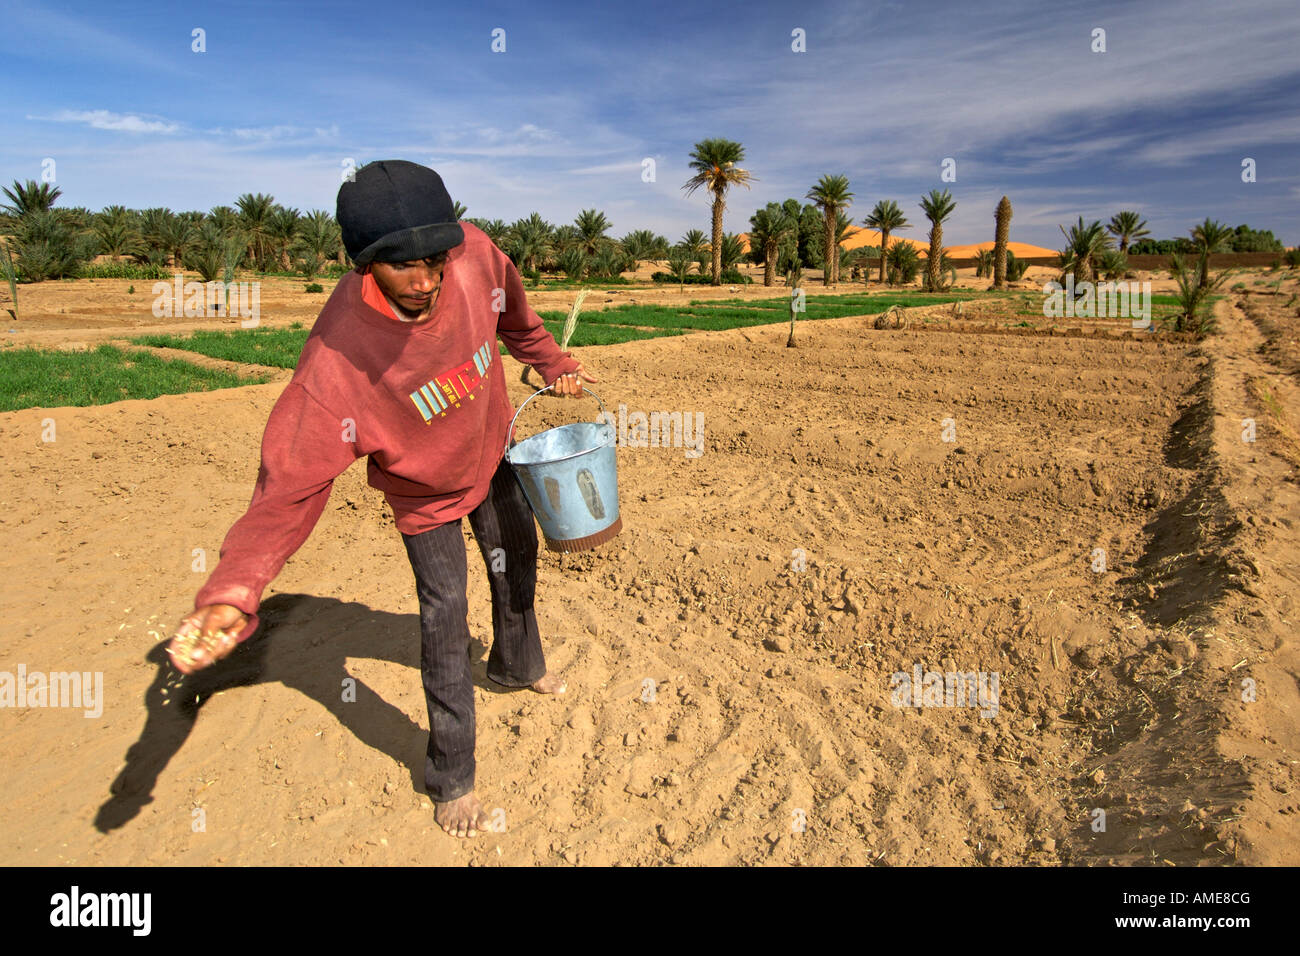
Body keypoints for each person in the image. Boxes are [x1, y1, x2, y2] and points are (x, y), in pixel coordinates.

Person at [166, 160, 597, 838]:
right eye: (404, 268)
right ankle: (452, 775)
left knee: (517, 556)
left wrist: (553, 364)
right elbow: (286, 490)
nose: (426, 280)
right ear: (366, 264)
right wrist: (234, 589)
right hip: (422, 491)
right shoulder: (337, 363)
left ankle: (518, 667)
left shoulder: (475, 254)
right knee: (445, 616)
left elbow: (517, 316)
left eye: (435, 260)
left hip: (489, 450)